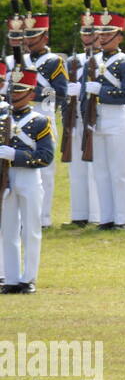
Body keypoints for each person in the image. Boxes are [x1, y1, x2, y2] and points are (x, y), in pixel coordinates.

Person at [0, 68, 54, 293]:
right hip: (6, 178)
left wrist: (17, 156)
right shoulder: (2, 118)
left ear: (31, 94)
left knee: (31, 229)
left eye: (20, 91)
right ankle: (11, 278)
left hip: (29, 177)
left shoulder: (40, 121)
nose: (15, 96)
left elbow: (46, 156)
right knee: (8, 229)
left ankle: (28, 278)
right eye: (13, 90)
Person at [86, 9, 125, 229]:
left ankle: (122, 219)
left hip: (117, 117)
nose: (103, 37)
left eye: (109, 33)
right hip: (97, 119)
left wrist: (102, 92)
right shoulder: (92, 60)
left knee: (119, 172)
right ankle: (106, 217)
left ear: (119, 36)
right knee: (101, 172)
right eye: (101, 32)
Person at [19, 11, 66, 228]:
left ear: (44, 37)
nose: (29, 41)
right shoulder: (21, 60)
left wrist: (32, 92)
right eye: (27, 36)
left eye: (33, 36)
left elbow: (60, 93)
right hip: (20, 117)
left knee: (45, 170)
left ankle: (43, 218)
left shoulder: (54, 61)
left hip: (43, 116)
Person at [64, 11, 99, 226]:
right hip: (73, 117)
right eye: (84, 33)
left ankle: (96, 214)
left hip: (93, 116)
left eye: (91, 33)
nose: (86, 37)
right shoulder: (71, 62)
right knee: (76, 169)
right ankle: (79, 214)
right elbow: (52, 90)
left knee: (94, 168)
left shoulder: (101, 61)